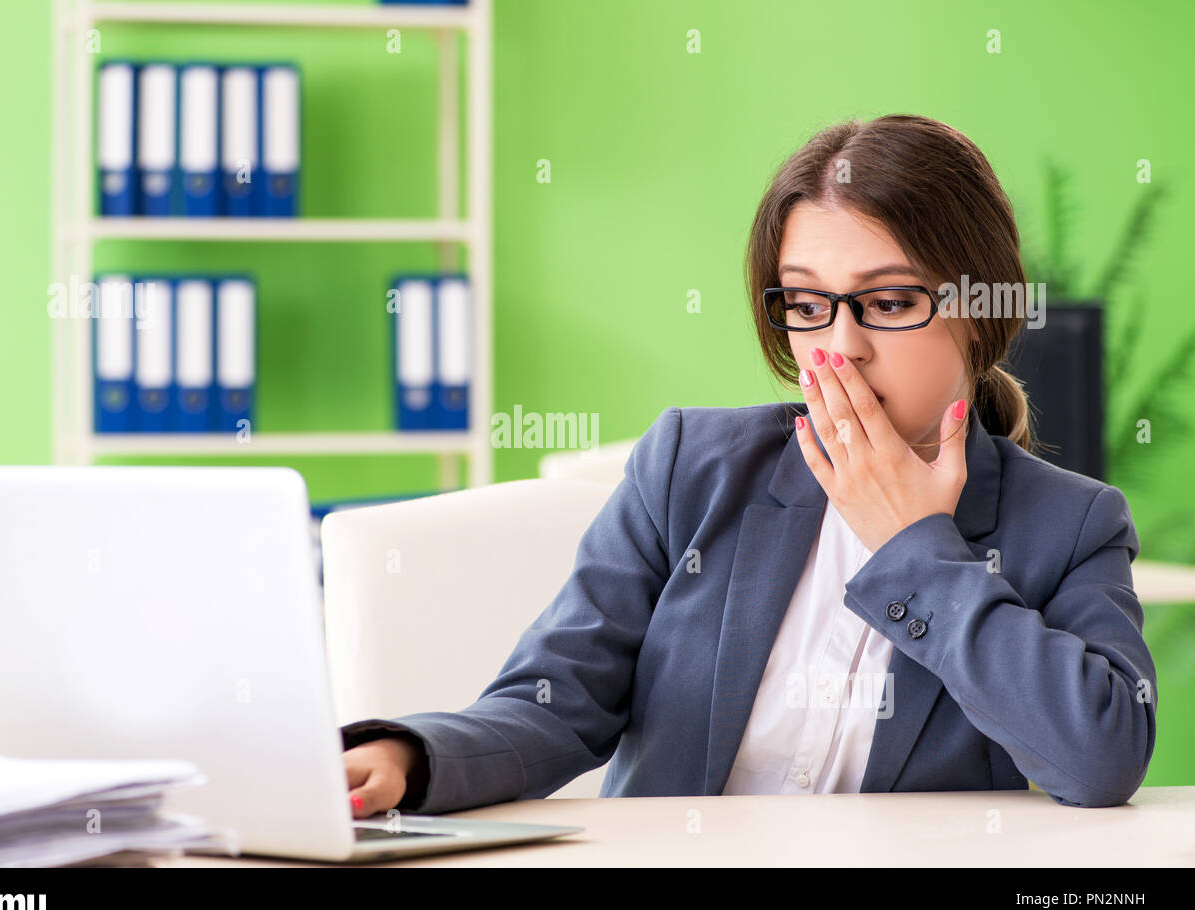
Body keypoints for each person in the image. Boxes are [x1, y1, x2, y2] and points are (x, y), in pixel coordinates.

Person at [341, 114, 1156, 818]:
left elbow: (1101, 757)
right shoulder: (688, 467)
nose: (841, 348)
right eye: (806, 305)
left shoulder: (1070, 524)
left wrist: (916, 544)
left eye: (891, 302)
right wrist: (411, 756)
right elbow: (556, 702)